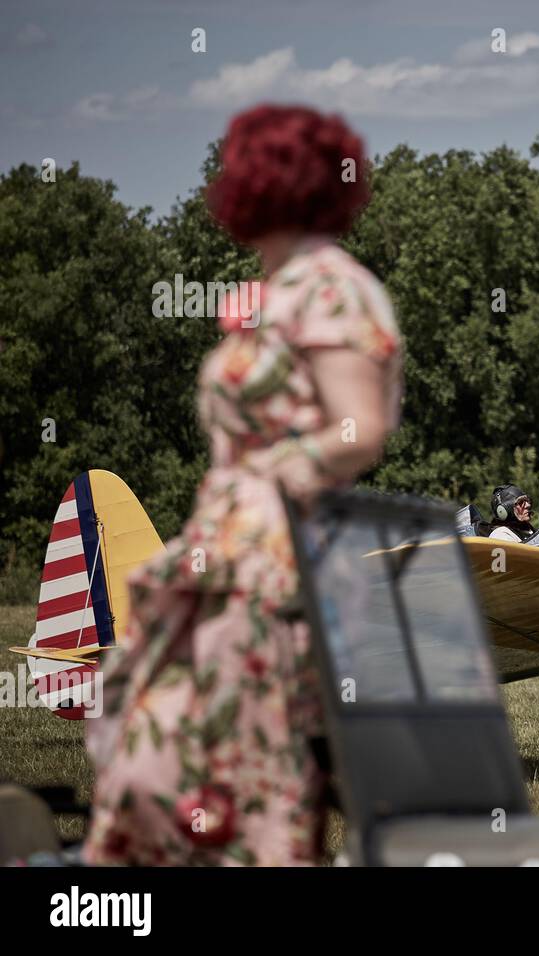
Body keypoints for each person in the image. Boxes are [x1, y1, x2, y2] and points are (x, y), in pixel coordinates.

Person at [82, 105, 403, 866]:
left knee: (242, 774)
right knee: (161, 760)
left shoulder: (330, 285)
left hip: (268, 568)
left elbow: (362, 429)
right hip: (224, 559)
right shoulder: (285, 284)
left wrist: (273, 482)